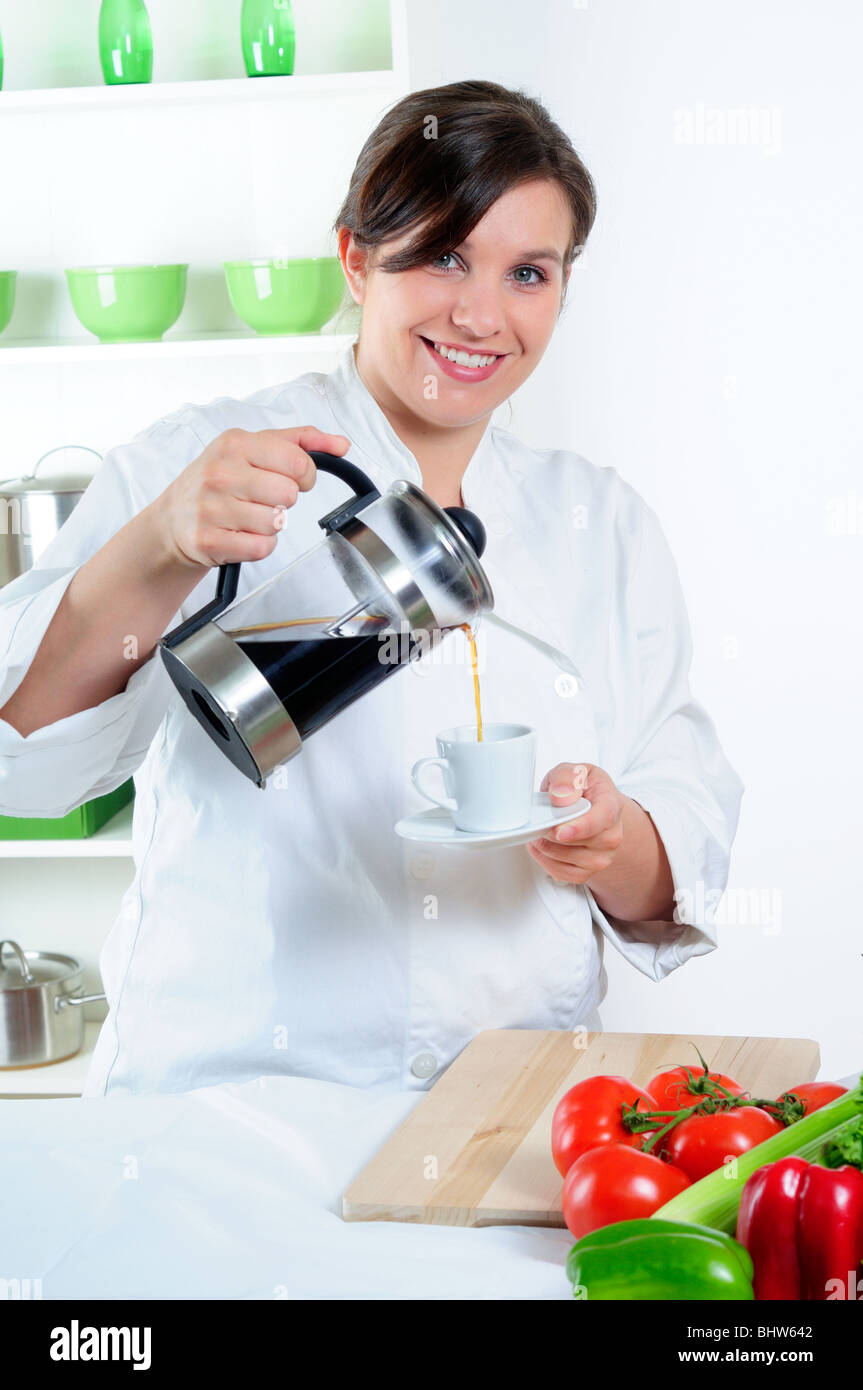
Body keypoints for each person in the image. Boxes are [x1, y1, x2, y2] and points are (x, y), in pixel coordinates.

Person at [0, 80, 743, 1098]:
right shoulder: (200, 464)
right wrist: (160, 547)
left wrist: (613, 839)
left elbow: (682, 832)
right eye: (444, 254)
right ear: (354, 257)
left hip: (513, 1109)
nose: (481, 314)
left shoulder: (600, 524)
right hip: (232, 1108)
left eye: (527, 272)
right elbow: (26, 767)